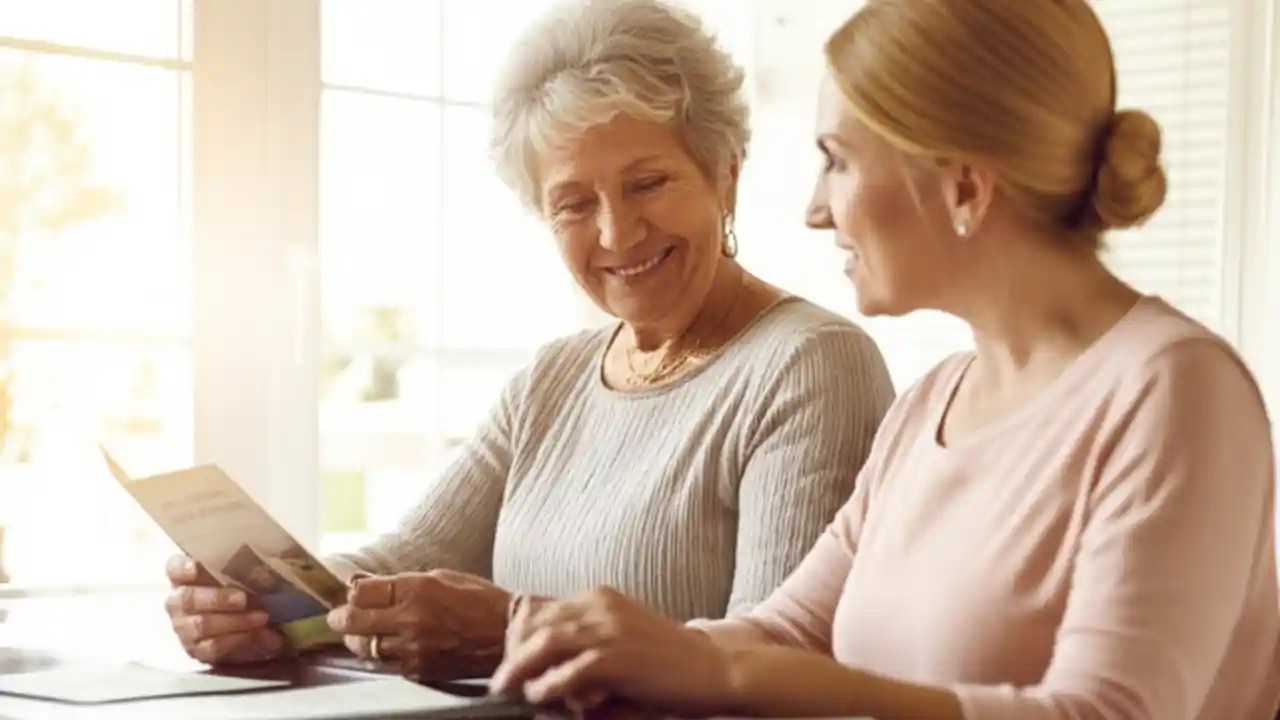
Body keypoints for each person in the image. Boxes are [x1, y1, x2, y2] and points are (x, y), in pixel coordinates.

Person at [490, 1, 1280, 718]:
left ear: (965, 188)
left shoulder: (1175, 391)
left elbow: (1106, 713)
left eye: (838, 159)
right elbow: (791, 628)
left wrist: (719, 676)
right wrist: (622, 649)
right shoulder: (933, 401)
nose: (815, 208)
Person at [163, 0, 895, 675]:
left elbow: (773, 668)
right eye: (574, 203)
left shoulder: (811, 363)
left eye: (647, 184)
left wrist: (515, 627)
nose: (616, 233)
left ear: (724, 177)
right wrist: (253, 608)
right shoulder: (556, 377)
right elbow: (397, 565)